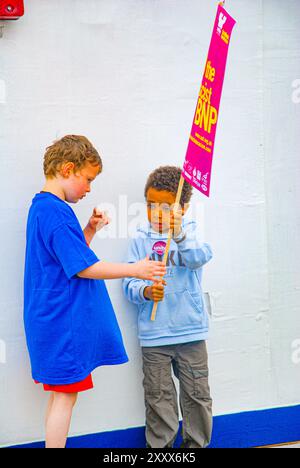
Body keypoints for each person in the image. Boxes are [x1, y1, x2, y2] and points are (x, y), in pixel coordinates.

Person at [23, 135, 166, 448]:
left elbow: (69, 259)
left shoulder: (43, 208)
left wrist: (89, 230)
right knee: (65, 398)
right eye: (87, 180)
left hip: (52, 321)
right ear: (69, 169)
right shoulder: (56, 213)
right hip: (63, 325)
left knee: (61, 396)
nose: (88, 189)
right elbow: (84, 268)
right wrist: (136, 269)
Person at [123, 166, 213, 448]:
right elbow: (128, 282)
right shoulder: (141, 238)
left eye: (165, 207)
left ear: (182, 208)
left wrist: (181, 237)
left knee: (197, 395)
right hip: (155, 336)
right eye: (151, 205)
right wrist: (146, 291)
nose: (156, 214)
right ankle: (160, 449)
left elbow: (200, 257)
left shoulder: (191, 233)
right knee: (158, 397)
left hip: (191, 331)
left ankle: (195, 447)